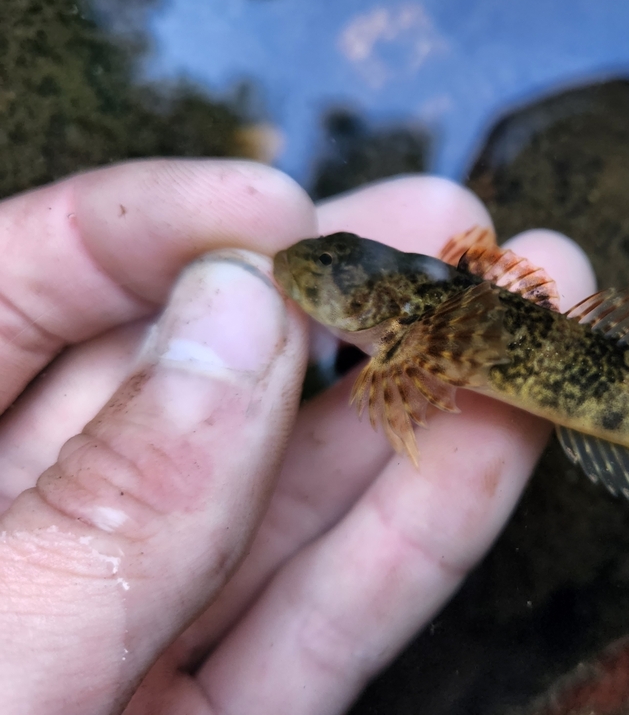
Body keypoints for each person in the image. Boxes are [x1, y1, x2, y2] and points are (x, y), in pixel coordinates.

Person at [0, 159, 595, 714]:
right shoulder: (413, 308)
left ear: (378, 306)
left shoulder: (417, 329)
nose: (301, 273)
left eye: (323, 280)